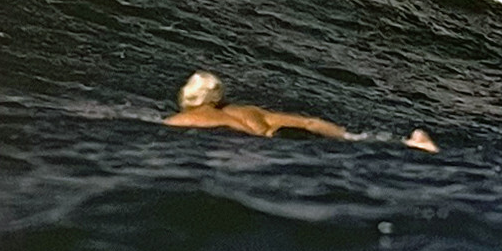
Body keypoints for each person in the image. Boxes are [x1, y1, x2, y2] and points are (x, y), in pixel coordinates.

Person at [164, 71, 439, 152]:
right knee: (350, 142)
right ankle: (410, 143)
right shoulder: (248, 111)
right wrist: (345, 136)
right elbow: (309, 123)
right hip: (275, 139)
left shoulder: (181, 120)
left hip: (250, 153)